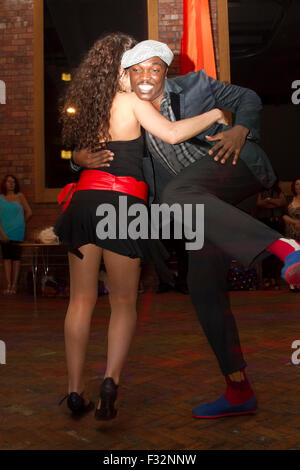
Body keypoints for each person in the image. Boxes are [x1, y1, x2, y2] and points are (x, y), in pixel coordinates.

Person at [72, 40, 300, 419]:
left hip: (232, 171)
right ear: (127, 76)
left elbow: (249, 97)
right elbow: (102, 152)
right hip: (196, 208)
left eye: (154, 69)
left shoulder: (196, 86)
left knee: (179, 191)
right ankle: (238, 389)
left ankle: (283, 247)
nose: (146, 77)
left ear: (165, 71)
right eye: (137, 70)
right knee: (203, 287)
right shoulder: (132, 110)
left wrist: (240, 129)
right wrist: (78, 160)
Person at [55, 33, 227, 420]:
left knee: (80, 301)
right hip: (122, 207)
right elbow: (171, 133)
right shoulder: (134, 100)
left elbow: (78, 157)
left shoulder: (88, 107)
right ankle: (110, 381)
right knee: (123, 302)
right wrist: (215, 114)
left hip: (83, 203)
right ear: (126, 67)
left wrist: (80, 159)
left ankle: (73, 391)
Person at [0, 174, 32, 294]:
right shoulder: (0, 198)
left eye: (13, 182)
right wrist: (2, 233)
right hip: (4, 233)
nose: (11, 183)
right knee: (7, 259)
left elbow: (29, 212)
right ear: (4, 184)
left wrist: (21, 223)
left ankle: (14, 285)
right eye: (9, 181)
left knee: (16, 259)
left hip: (17, 233)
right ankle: (8, 285)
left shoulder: (20, 196)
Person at [255, 182, 287, 289]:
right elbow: (259, 203)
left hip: (277, 224)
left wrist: (268, 201)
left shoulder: (279, 191)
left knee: (276, 253)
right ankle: (266, 278)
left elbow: (282, 202)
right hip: (264, 224)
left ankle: (274, 278)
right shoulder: (260, 191)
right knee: (266, 252)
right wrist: (273, 202)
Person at [283, 178, 300, 292]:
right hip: (291, 232)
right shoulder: (289, 199)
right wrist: (295, 222)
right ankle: (293, 283)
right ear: (294, 186)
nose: (299, 186)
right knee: (293, 258)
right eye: (297, 184)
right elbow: (283, 215)